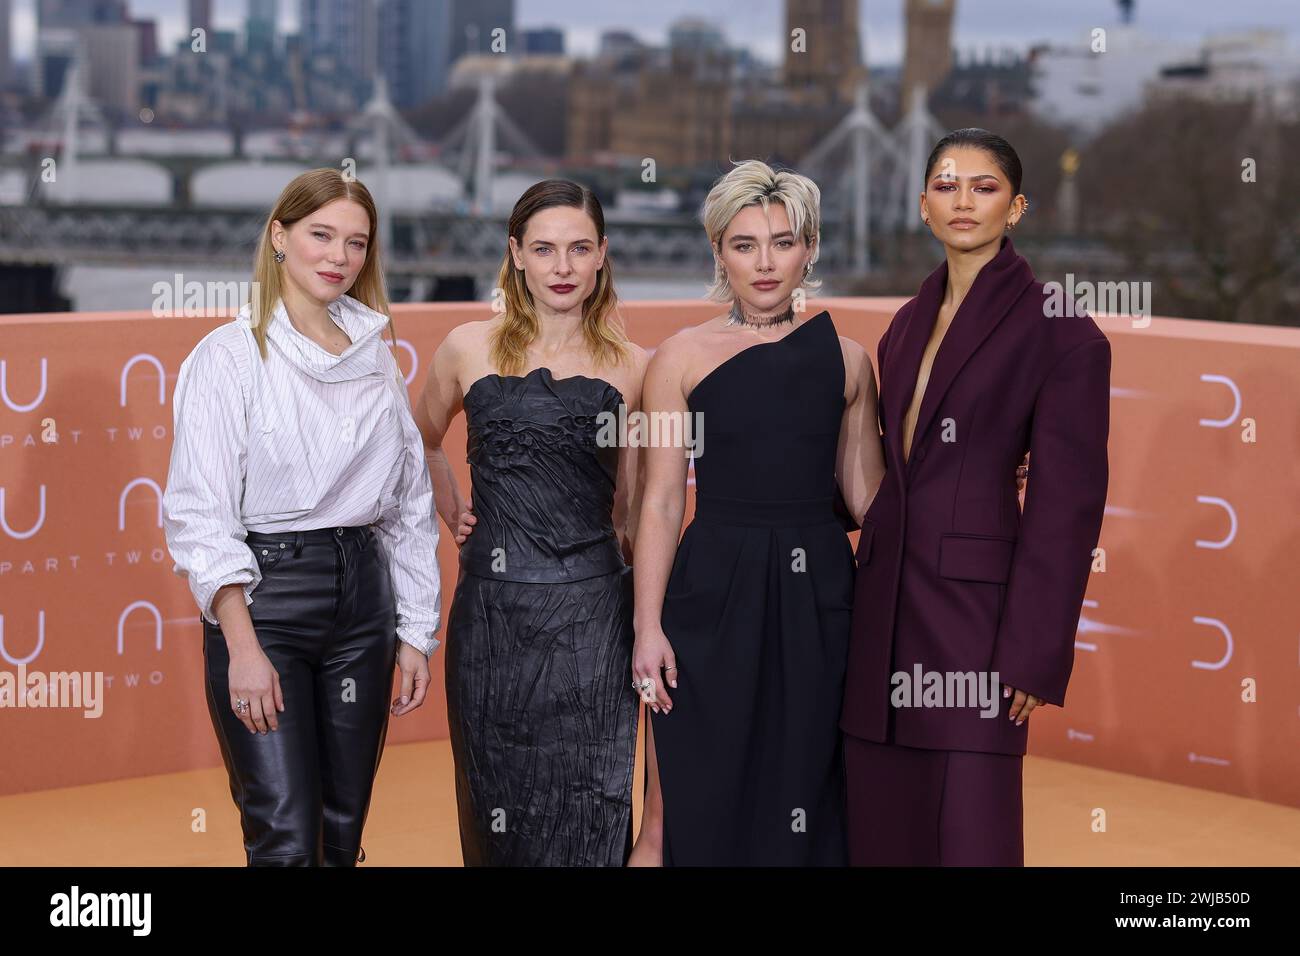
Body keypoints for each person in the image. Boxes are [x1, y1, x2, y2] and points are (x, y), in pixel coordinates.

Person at [840, 128, 1111, 865]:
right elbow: (883, 475)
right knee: (879, 828)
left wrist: (1034, 653)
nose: (963, 201)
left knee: (970, 837)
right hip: (881, 618)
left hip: (975, 631)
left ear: (1016, 207)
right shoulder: (903, 324)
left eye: (984, 187)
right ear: (924, 205)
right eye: (946, 185)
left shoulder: (1063, 332)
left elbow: (1067, 507)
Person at [162, 168, 441, 867]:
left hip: (364, 604)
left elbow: (409, 505)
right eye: (321, 235)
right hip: (268, 604)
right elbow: (200, 514)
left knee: (340, 838)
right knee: (285, 839)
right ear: (279, 237)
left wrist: (413, 632)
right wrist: (243, 647)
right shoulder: (227, 358)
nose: (338, 257)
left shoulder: (378, 357)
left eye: (355, 242)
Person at [630, 160, 885, 865]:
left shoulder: (849, 361)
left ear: (810, 248)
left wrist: (978, 479)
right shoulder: (676, 359)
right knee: (682, 792)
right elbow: (659, 498)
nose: (765, 262)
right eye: (744, 244)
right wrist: (647, 625)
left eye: (783, 241)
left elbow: (870, 499)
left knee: (807, 780)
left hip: (820, 594)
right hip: (711, 589)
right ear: (718, 252)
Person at [415, 179, 649, 866]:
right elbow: (418, 439)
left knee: (592, 809)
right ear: (515, 254)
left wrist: (647, 615)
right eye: (544, 249)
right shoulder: (466, 348)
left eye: (579, 249)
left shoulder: (637, 368)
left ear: (603, 254)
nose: (563, 267)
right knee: (498, 817)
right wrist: (451, 504)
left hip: (593, 623)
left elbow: (638, 510)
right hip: (493, 621)